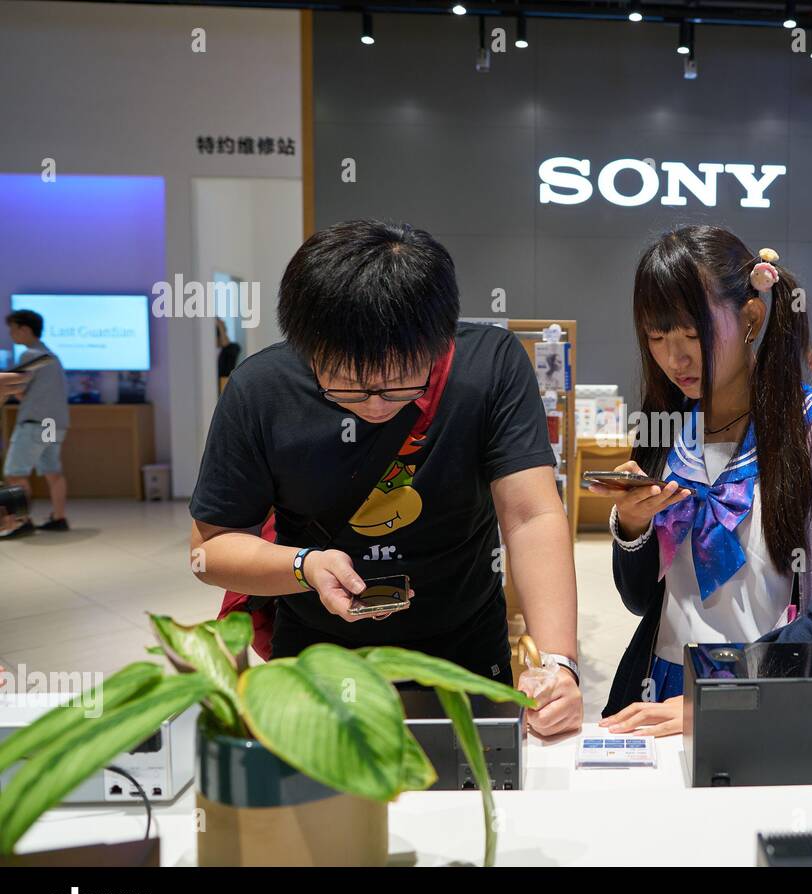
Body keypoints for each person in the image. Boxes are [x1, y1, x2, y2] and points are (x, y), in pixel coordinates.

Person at [188, 220, 582, 737]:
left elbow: (531, 515)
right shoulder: (260, 390)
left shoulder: (491, 366)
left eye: (400, 384)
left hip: (463, 647)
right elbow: (209, 550)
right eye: (349, 386)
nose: (375, 405)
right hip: (316, 654)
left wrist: (558, 663)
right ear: (307, 346)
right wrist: (305, 566)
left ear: (439, 342)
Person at [592, 226, 812, 737]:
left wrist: (728, 687)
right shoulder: (664, 430)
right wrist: (631, 529)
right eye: (656, 336)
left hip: (775, 692)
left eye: (692, 333)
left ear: (752, 317)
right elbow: (644, 601)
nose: (675, 358)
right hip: (661, 685)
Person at [2, 310, 70, 538]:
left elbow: (17, 389)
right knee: (53, 471)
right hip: (53, 423)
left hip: (34, 423)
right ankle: (59, 517)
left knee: (15, 473)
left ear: (25, 329)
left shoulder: (29, 355)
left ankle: (22, 522)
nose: (11, 334)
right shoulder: (52, 356)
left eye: (12, 329)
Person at [215, 318, 241, 387]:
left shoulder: (232, 348)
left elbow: (225, 343)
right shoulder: (207, 351)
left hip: (222, 388)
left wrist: (220, 326)